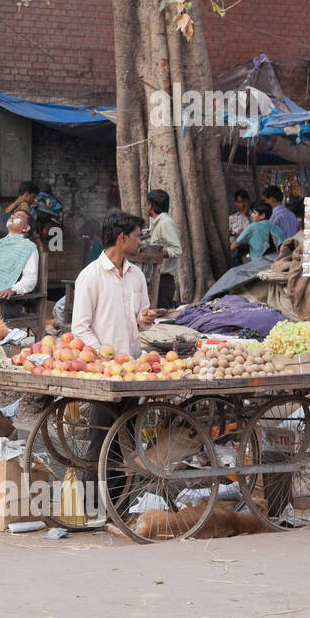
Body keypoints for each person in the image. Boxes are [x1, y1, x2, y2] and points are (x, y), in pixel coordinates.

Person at [71, 211, 155, 473]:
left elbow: (139, 320)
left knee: (127, 441)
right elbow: (80, 328)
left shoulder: (136, 275)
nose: (140, 241)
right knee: (101, 442)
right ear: (121, 238)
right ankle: (94, 506)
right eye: (137, 236)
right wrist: (103, 355)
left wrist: (145, 318)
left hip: (131, 370)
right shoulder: (90, 276)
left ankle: (120, 507)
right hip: (104, 373)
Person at [0, 209, 38, 318]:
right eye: (12, 215)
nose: (12, 216)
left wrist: (13, 289)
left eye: (18, 216)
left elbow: (30, 279)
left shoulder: (28, 247)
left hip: (5, 302)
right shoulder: (1, 243)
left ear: (26, 228)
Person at [144, 188, 182, 309]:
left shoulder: (165, 222)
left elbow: (176, 250)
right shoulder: (156, 223)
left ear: (151, 206)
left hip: (164, 281)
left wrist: (158, 255)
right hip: (156, 279)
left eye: (147, 204)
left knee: (161, 316)